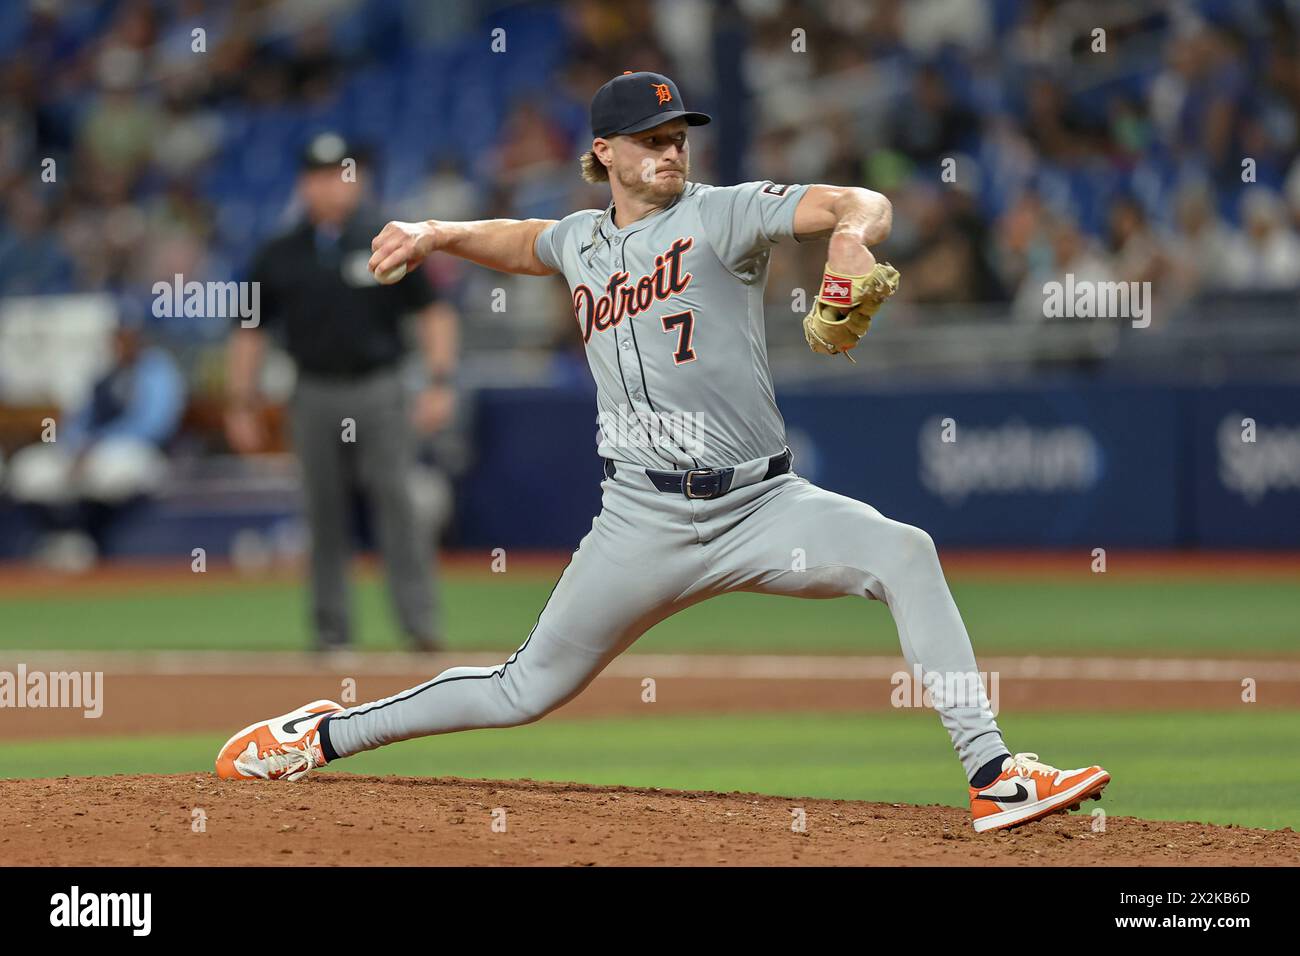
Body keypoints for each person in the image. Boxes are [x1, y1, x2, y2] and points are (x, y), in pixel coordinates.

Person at [216, 74, 1109, 833]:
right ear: (604, 151)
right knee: (522, 691)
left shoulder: (725, 217)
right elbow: (526, 242)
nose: (672, 152)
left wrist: (848, 236)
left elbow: (853, 200)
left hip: (763, 507)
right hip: (641, 519)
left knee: (905, 551)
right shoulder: (580, 237)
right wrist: (441, 234)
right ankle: (321, 736)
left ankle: (994, 776)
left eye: (678, 136)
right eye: (651, 139)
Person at [224, 132, 459, 653]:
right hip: (311, 392)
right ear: (304, 184)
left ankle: (420, 627)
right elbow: (248, 330)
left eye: (341, 174)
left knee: (397, 506)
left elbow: (433, 312)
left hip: (380, 388)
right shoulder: (279, 253)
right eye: (318, 176)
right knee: (321, 512)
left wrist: (439, 381)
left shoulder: (390, 239)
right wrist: (240, 400)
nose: (330, 186)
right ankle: (332, 634)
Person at [6, 315, 185, 569]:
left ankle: (94, 541)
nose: (122, 341)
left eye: (129, 334)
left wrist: (98, 445)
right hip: (85, 453)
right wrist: (76, 446)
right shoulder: (103, 372)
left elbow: (155, 424)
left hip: (137, 452)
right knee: (31, 469)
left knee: (111, 473)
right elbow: (77, 420)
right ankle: (66, 538)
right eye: (118, 334)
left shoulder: (157, 369)